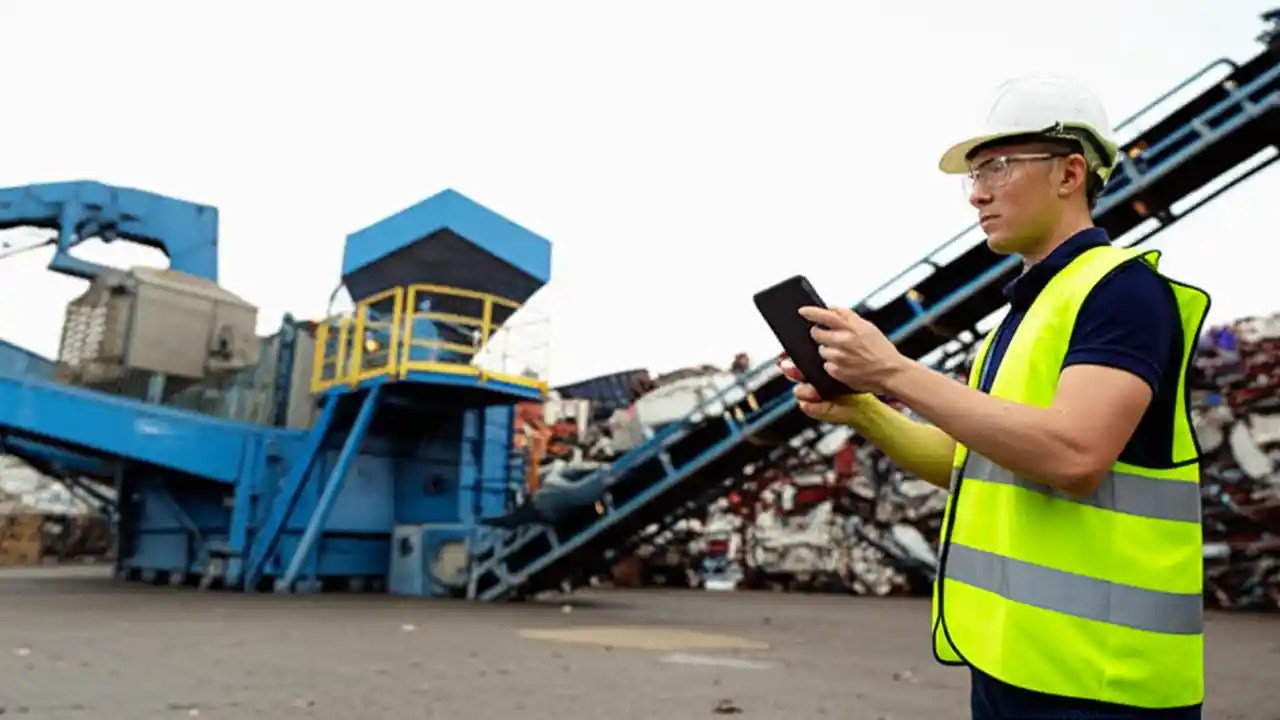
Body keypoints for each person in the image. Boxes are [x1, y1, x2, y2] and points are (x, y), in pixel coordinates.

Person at [781, 75, 1211, 719]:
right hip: (1016, 664)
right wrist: (862, 409)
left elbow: (1074, 456)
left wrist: (892, 371)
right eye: (974, 176)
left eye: (998, 167)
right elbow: (968, 462)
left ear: (1071, 173)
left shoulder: (1121, 292)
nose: (978, 192)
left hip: (1104, 681)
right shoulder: (1024, 317)